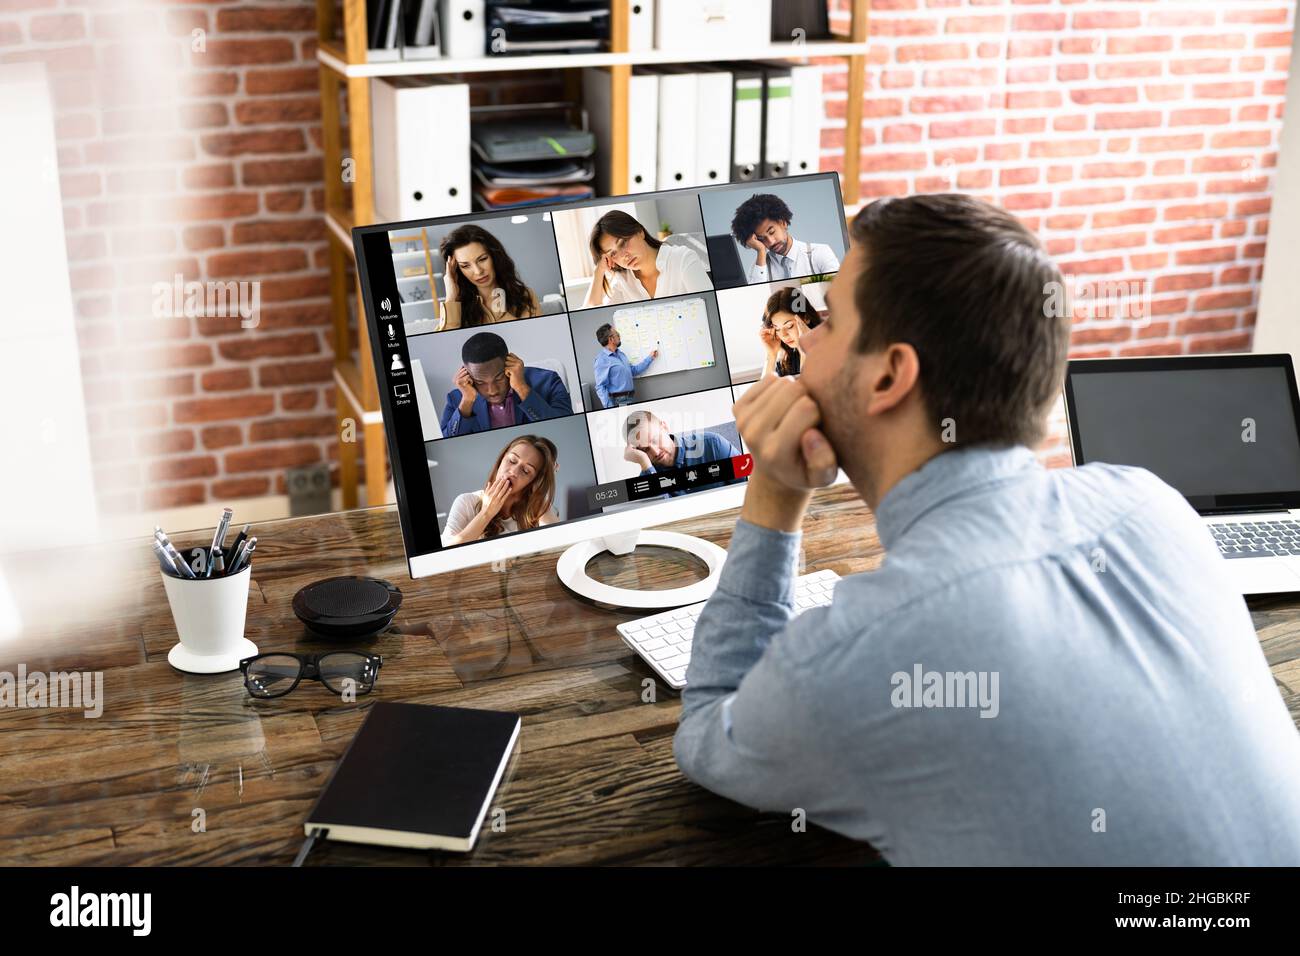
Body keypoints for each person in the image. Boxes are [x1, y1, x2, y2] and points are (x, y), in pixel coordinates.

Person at [674, 193, 1300, 865]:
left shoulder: (873, 650)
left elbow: (711, 732)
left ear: (889, 375)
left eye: (825, 320)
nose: (810, 334)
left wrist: (773, 489)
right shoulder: (1153, 507)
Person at [439, 331, 572, 437]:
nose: (492, 391)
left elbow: (566, 428)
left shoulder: (549, 381)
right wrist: (467, 402)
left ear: (509, 363)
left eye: (498, 378)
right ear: (466, 373)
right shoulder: (456, 399)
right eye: (480, 382)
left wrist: (522, 388)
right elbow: (447, 441)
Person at [442, 435, 559, 545]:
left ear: (533, 481)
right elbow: (446, 554)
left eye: (526, 471)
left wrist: (541, 490)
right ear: (501, 459)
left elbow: (556, 545)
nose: (513, 471)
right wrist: (486, 513)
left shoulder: (539, 511)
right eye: (512, 461)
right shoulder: (467, 502)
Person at [583, 210, 712, 307]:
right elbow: (592, 311)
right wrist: (598, 272)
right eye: (613, 254)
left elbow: (710, 306)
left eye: (623, 243)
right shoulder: (622, 281)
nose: (624, 256)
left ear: (640, 232)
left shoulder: (683, 259)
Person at [438, 224, 542, 330]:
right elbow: (442, 344)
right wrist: (451, 298)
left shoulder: (525, 296)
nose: (478, 271)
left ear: (494, 256)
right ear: (457, 269)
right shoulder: (456, 308)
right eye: (465, 266)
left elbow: (539, 337)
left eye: (482, 259)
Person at [622, 409, 738, 497]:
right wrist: (645, 463)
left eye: (655, 440)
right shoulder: (646, 476)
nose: (656, 452)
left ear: (665, 427)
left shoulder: (713, 444)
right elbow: (659, 517)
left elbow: (751, 484)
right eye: (645, 450)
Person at [730, 192, 840, 284]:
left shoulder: (820, 253)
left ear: (783, 222)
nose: (771, 241)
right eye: (762, 239)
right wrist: (761, 251)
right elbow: (754, 301)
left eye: (772, 232)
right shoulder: (759, 267)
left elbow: (840, 294)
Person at [760, 286, 821, 379]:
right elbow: (764, 391)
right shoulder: (788, 360)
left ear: (806, 318)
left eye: (789, 326)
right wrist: (771, 355)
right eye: (777, 329)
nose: (783, 335)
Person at [593, 323, 657, 407]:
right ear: (611, 339)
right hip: (618, 401)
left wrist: (650, 358)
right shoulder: (601, 360)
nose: (619, 336)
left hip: (630, 398)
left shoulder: (621, 354)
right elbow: (600, 387)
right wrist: (610, 407)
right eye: (617, 334)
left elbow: (634, 371)